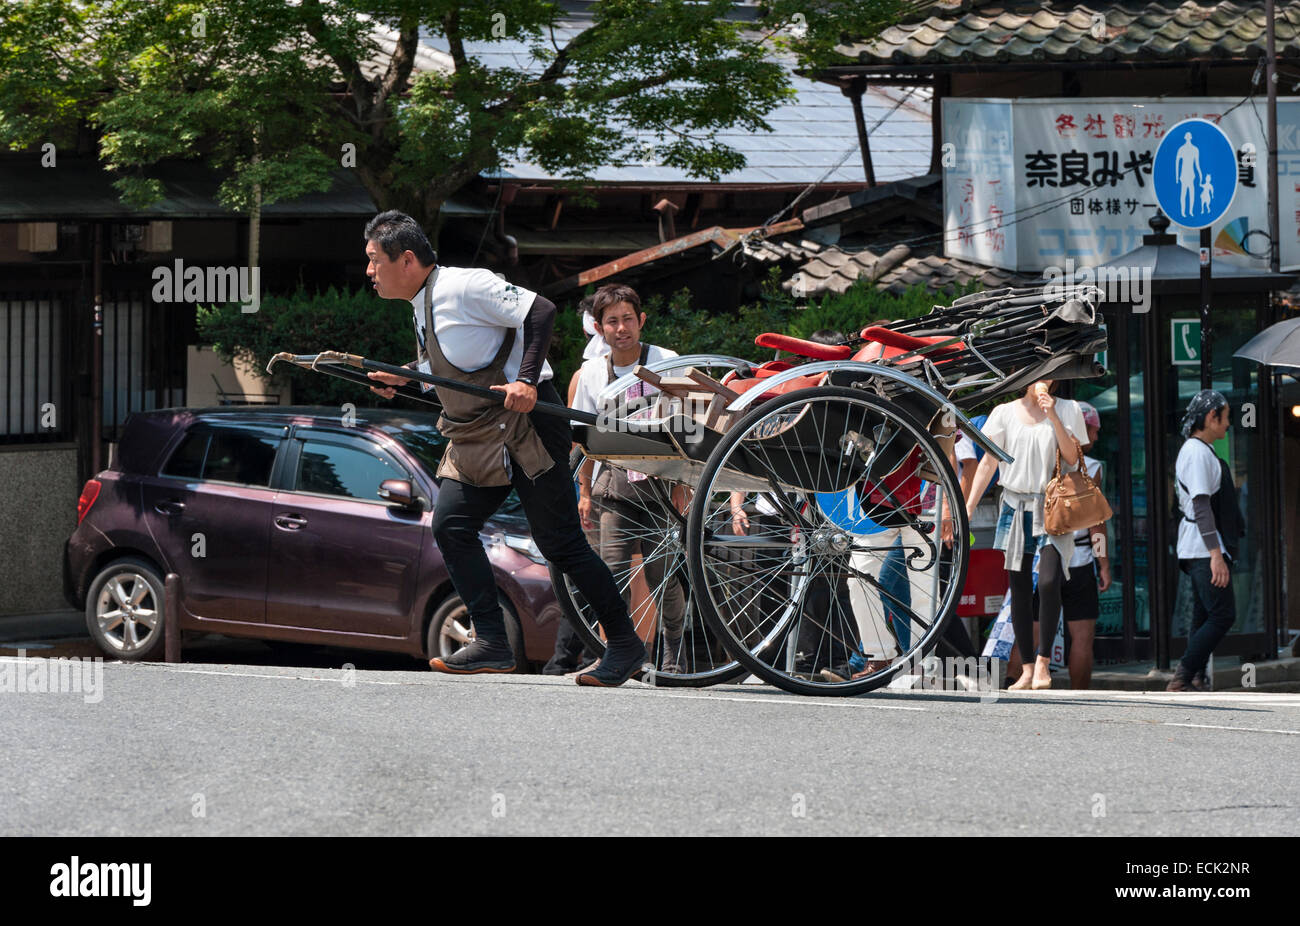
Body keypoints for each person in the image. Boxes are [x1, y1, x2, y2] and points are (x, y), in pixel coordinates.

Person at [361, 210, 646, 687]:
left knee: (559, 543)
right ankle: (492, 640)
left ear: (406, 259)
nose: (369, 272)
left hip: (529, 425)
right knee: (452, 524)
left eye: (374, 261)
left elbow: (541, 310)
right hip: (480, 433)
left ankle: (624, 644)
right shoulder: (422, 301)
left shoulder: (465, 285)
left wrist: (528, 381)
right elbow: (460, 372)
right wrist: (405, 379)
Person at [572, 284, 688, 674]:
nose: (621, 328)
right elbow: (582, 437)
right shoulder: (590, 373)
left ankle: (673, 648)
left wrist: (683, 486)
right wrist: (584, 491)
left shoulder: (666, 361)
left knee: (662, 577)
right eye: (611, 322)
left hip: (661, 484)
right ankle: (621, 651)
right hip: (613, 487)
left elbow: (689, 427)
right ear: (599, 328)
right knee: (612, 575)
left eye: (627, 319)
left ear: (641, 321)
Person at [964, 380, 1088, 690]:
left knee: (1048, 580)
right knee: (1018, 587)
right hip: (1014, 504)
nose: (1043, 381)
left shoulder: (1068, 409)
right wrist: (967, 508)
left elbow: (1073, 457)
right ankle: (1028, 669)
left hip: (1051, 504)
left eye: (1049, 376)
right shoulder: (1003, 413)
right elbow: (988, 464)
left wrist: (1054, 417)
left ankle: (1044, 663)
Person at [1005, 401, 1112, 689]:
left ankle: (1014, 682)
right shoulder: (1091, 468)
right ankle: (1079, 696)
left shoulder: (1036, 459)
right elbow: (1096, 522)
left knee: (1031, 631)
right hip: (1077, 559)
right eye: (1093, 430)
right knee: (1082, 636)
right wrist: (1103, 562)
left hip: (1042, 556)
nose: (1096, 437)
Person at [1168, 389, 1241, 693]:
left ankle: (1194, 676)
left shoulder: (1200, 450)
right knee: (1223, 614)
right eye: (1225, 417)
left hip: (1198, 544)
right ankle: (1183, 675)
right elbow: (1200, 505)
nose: (1228, 424)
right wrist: (1215, 554)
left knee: (1203, 612)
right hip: (1202, 546)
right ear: (1212, 417)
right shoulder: (1197, 452)